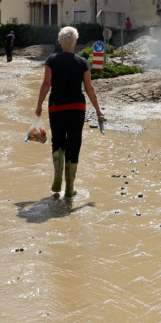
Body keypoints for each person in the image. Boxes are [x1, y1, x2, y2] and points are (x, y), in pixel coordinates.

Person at [34, 26, 105, 199]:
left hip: (56, 106)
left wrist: (39, 105)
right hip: (77, 108)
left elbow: (46, 84)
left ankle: (57, 177)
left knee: (57, 141)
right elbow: (89, 89)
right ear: (76, 42)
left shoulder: (52, 60)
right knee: (74, 143)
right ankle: (70, 187)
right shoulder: (82, 63)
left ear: (59, 41)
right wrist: (98, 109)